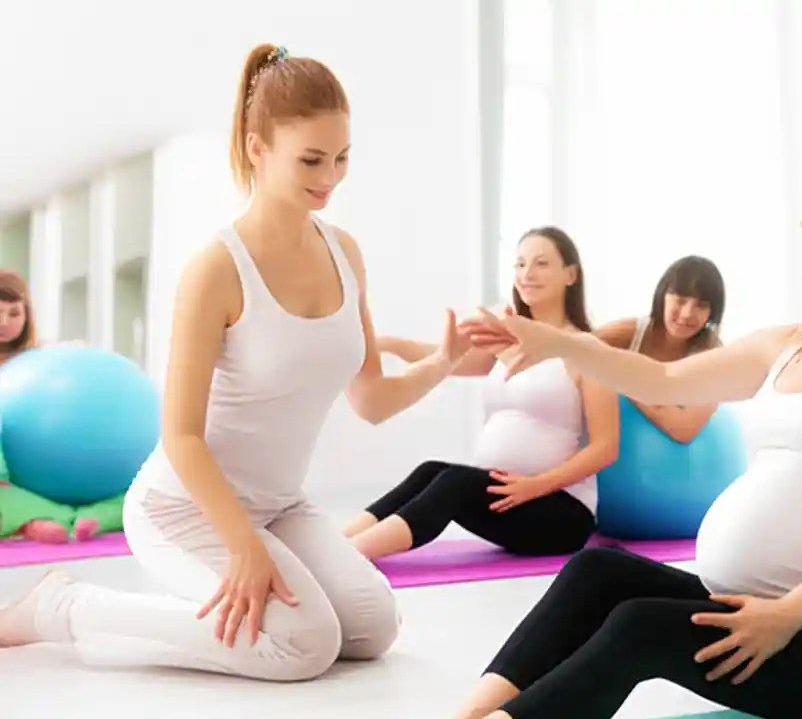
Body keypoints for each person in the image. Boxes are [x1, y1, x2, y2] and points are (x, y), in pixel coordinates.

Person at [0, 44, 462, 681]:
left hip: (280, 505)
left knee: (372, 626)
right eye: (311, 159)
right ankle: (64, 607)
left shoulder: (345, 253)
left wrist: (443, 362)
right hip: (183, 507)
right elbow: (181, 436)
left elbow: (371, 399)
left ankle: (233, 595)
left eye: (341, 157)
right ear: (256, 148)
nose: (330, 177)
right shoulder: (216, 269)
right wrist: (243, 547)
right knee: (305, 646)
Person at [451, 144, 802, 719]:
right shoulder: (792, 341)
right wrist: (555, 342)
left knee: (639, 626)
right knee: (598, 571)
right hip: (748, 608)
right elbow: (662, 378)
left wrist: (787, 614)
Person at [342, 226, 619, 561]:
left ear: (571, 274)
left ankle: (349, 556)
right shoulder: (507, 345)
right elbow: (444, 357)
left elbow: (606, 448)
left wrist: (536, 485)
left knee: (454, 482)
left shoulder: (586, 350)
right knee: (431, 471)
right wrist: (385, 344)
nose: (527, 274)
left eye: (541, 263)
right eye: (520, 264)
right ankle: (336, 542)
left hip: (560, 511)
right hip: (507, 498)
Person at [0, 270, 122, 544]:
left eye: (14, 313)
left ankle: (87, 517)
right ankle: (41, 520)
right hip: (12, 480)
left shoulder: (42, 360)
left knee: (141, 490)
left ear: (27, 316)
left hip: (61, 470)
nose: (4, 322)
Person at [594, 255, 726, 443]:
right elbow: (571, 351)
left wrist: (623, 378)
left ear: (711, 313)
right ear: (662, 296)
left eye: (701, 305)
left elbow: (685, 428)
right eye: (680, 300)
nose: (687, 313)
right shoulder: (627, 333)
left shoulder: (714, 356)